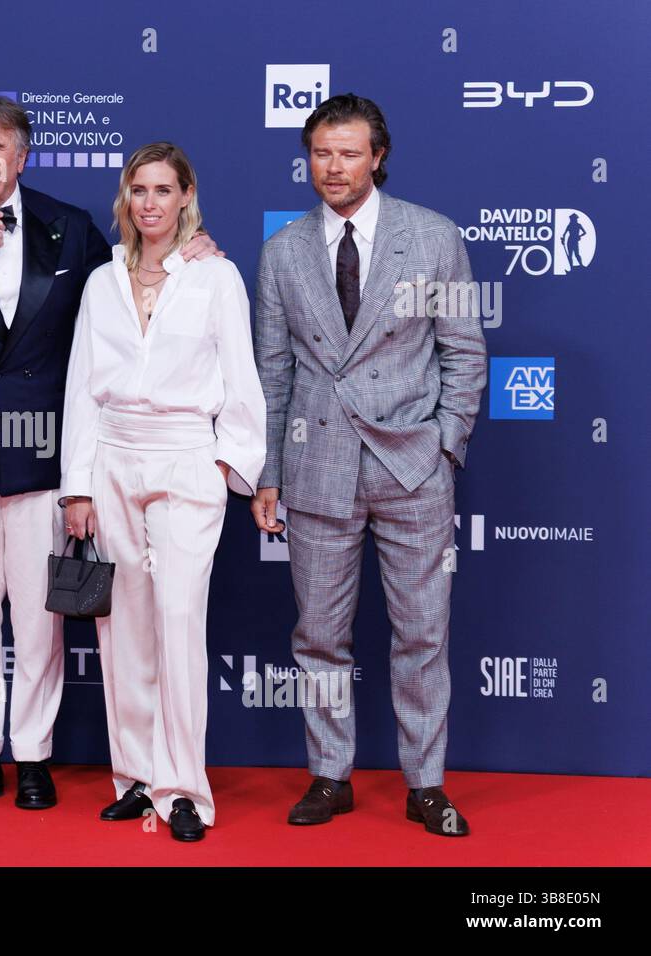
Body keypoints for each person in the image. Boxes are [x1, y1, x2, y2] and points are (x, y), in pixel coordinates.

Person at [0, 96, 219, 812]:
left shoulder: (72, 231)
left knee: (40, 619)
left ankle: (33, 756)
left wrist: (199, 252)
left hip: (48, 455)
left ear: (22, 156)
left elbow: (129, 305)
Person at [251, 94, 487, 836]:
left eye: (349, 152)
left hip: (414, 467)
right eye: (322, 152)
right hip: (318, 463)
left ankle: (426, 783)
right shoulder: (283, 249)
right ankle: (330, 775)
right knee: (319, 635)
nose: (334, 167)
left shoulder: (435, 237)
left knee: (423, 633)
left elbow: (464, 351)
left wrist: (445, 441)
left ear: (377, 156)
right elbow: (272, 372)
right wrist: (267, 471)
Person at [60, 143, 266, 842]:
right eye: (139, 190)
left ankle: (185, 792)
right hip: (112, 456)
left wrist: (222, 466)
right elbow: (82, 389)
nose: (150, 202)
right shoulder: (100, 282)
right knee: (123, 630)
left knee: (178, 623)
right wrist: (76, 487)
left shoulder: (217, 278)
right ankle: (136, 777)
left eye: (163, 190)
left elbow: (243, 383)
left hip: (184, 458)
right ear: (126, 199)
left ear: (186, 197)